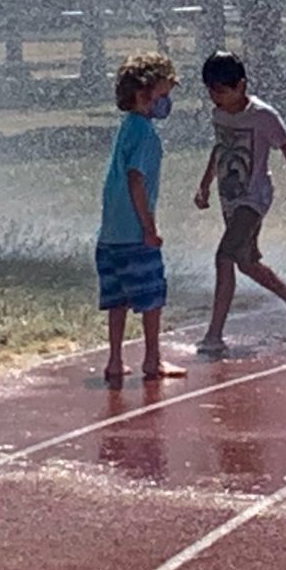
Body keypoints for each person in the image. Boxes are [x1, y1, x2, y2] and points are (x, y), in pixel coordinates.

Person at [191, 50, 286, 357]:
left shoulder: (263, 116)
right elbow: (219, 150)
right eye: (210, 91)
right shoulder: (219, 113)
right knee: (246, 261)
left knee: (224, 255)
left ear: (240, 85)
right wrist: (204, 185)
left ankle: (214, 334)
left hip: (254, 198)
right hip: (229, 197)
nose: (215, 98)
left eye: (221, 91)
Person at [96, 52, 183, 388]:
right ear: (145, 95)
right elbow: (135, 179)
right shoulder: (146, 132)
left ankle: (115, 359)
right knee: (152, 297)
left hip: (110, 236)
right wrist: (149, 228)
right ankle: (152, 358)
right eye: (163, 96)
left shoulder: (126, 127)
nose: (166, 103)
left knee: (117, 300)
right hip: (135, 234)